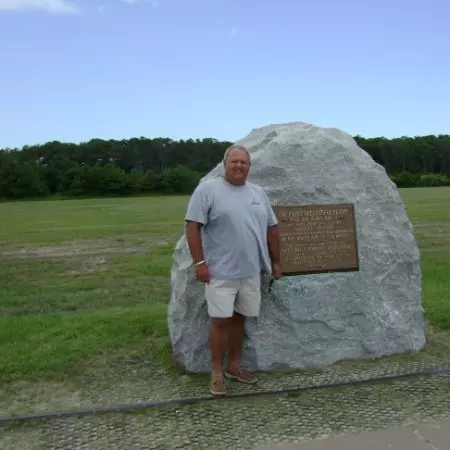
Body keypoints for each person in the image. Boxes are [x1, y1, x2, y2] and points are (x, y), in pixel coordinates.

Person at [184, 144, 282, 396]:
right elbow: (192, 226)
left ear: (250, 166)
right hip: (220, 272)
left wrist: (276, 262)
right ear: (225, 164)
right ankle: (216, 372)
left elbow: (272, 228)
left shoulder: (258, 192)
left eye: (244, 163)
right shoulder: (208, 190)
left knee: (240, 319)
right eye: (234, 162)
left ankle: (234, 366)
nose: (239, 166)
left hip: (251, 272)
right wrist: (199, 263)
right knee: (220, 321)